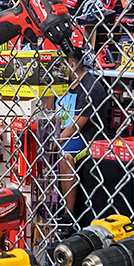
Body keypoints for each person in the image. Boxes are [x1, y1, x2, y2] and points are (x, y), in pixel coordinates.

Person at [56, 49, 109, 221]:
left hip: (89, 138)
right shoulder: (71, 84)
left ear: (72, 65)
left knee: (65, 156)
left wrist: (56, 141)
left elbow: (77, 125)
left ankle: (68, 214)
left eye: (62, 67)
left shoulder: (90, 86)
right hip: (67, 132)